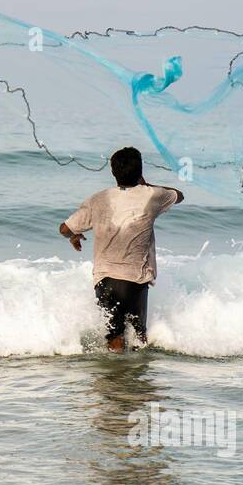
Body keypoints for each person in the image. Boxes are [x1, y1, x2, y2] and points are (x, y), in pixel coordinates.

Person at [58, 147, 183, 351]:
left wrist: (73, 236)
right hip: (135, 280)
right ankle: (133, 381)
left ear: (113, 172)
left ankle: (114, 380)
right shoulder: (153, 196)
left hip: (105, 280)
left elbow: (64, 228)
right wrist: (146, 184)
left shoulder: (98, 199)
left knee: (114, 340)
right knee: (139, 340)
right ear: (140, 171)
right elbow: (179, 195)